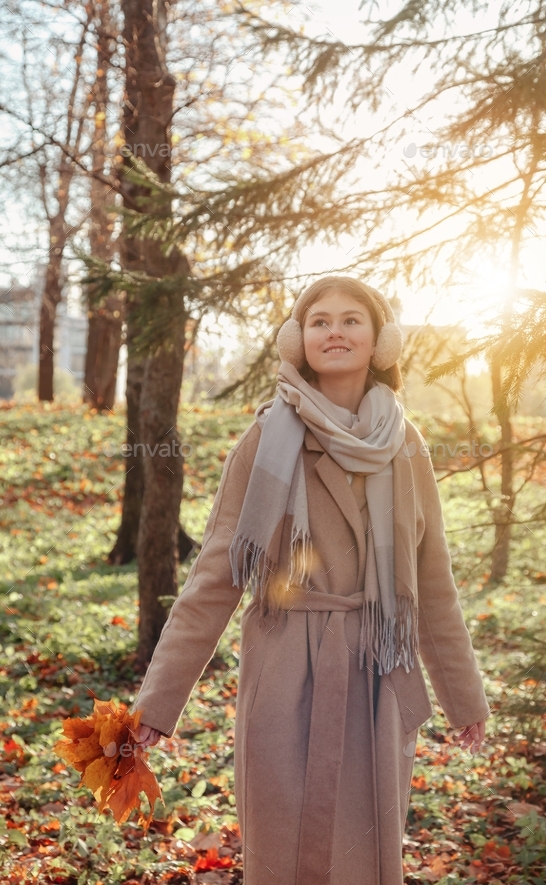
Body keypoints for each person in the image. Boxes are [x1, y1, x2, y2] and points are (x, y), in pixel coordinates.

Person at [129, 275, 491, 885]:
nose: (335, 331)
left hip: (375, 672)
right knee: (284, 852)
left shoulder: (405, 445)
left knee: (362, 859)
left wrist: (465, 699)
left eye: (352, 319)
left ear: (380, 341)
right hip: (283, 673)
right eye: (320, 320)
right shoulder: (265, 440)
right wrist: (159, 703)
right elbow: (216, 576)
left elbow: (432, 584)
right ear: (299, 339)